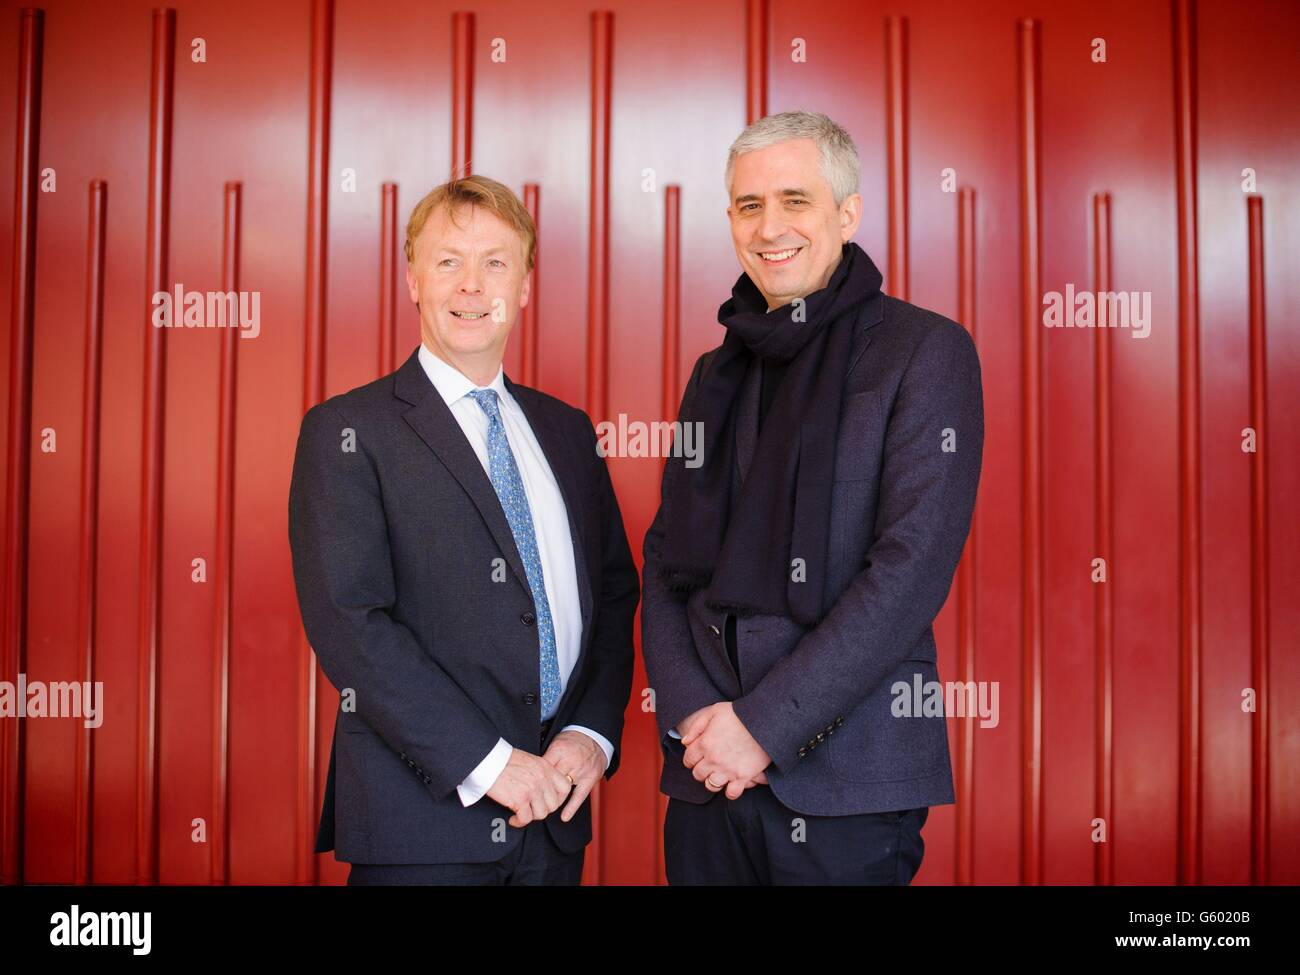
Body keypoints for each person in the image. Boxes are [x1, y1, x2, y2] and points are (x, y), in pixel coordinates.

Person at [642, 110, 984, 884]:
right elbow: (666, 561)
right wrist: (698, 718)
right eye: (749, 205)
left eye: (795, 200)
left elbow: (910, 571)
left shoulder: (924, 352)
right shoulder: (714, 371)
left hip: (845, 783)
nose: (771, 227)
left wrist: (760, 728)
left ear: (847, 212)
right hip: (705, 779)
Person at [288, 175, 638, 884]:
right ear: (413, 277)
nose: (472, 285)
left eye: (496, 262)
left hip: (555, 821)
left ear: (526, 284)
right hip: (423, 826)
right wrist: (492, 763)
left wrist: (590, 734)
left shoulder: (567, 432)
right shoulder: (348, 430)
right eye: (449, 261)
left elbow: (613, 593)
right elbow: (351, 624)